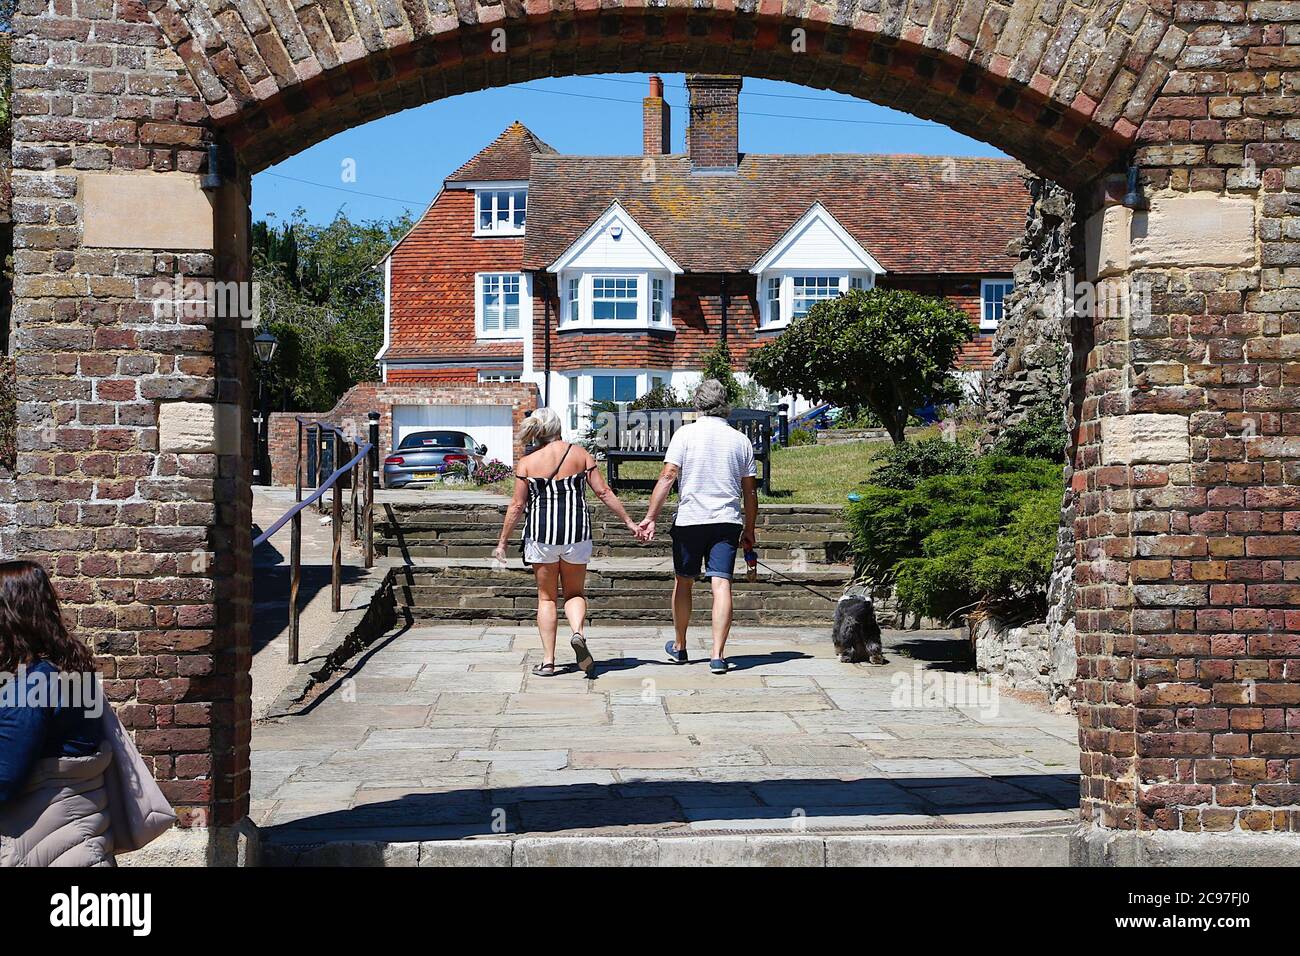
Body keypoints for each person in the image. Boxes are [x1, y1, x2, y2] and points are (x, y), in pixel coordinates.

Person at [494, 407, 643, 678]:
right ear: (558, 427)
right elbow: (603, 492)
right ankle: (577, 633)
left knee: (547, 598)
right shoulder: (580, 454)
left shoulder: (528, 462)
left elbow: (517, 505)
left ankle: (549, 661)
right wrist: (630, 522)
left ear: (537, 431)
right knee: (574, 593)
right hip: (577, 533)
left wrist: (503, 542)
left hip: (542, 535)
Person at [638, 379, 758, 674]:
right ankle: (717, 655)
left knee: (684, 581)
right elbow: (750, 492)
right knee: (722, 585)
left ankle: (680, 646)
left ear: (698, 404)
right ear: (724, 404)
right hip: (726, 521)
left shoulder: (685, 434)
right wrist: (750, 529)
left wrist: (651, 516)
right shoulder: (740, 440)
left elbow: (668, 477)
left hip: (690, 520)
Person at [0, 560, 114, 867]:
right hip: (76, 841)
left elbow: (4, 779)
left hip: (42, 847)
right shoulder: (72, 670)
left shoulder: (29, 689)